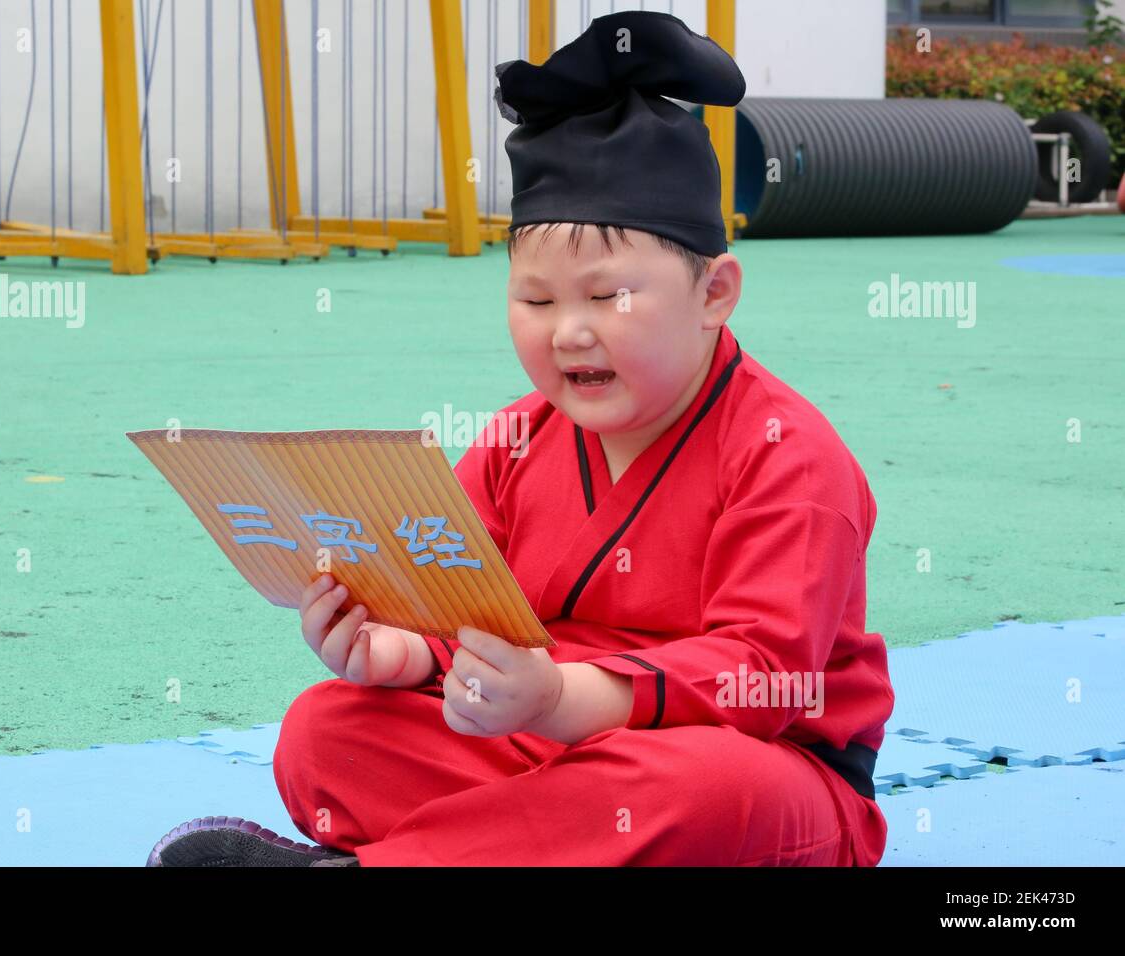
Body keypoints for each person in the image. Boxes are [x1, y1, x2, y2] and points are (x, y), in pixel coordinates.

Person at [147, 10, 894, 868]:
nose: (569, 332)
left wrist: (562, 697)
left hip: (759, 767)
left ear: (714, 292)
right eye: (537, 302)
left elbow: (762, 677)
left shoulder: (784, 451)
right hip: (539, 748)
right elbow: (454, 607)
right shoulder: (511, 441)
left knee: (707, 791)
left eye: (607, 296)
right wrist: (393, 651)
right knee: (325, 730)